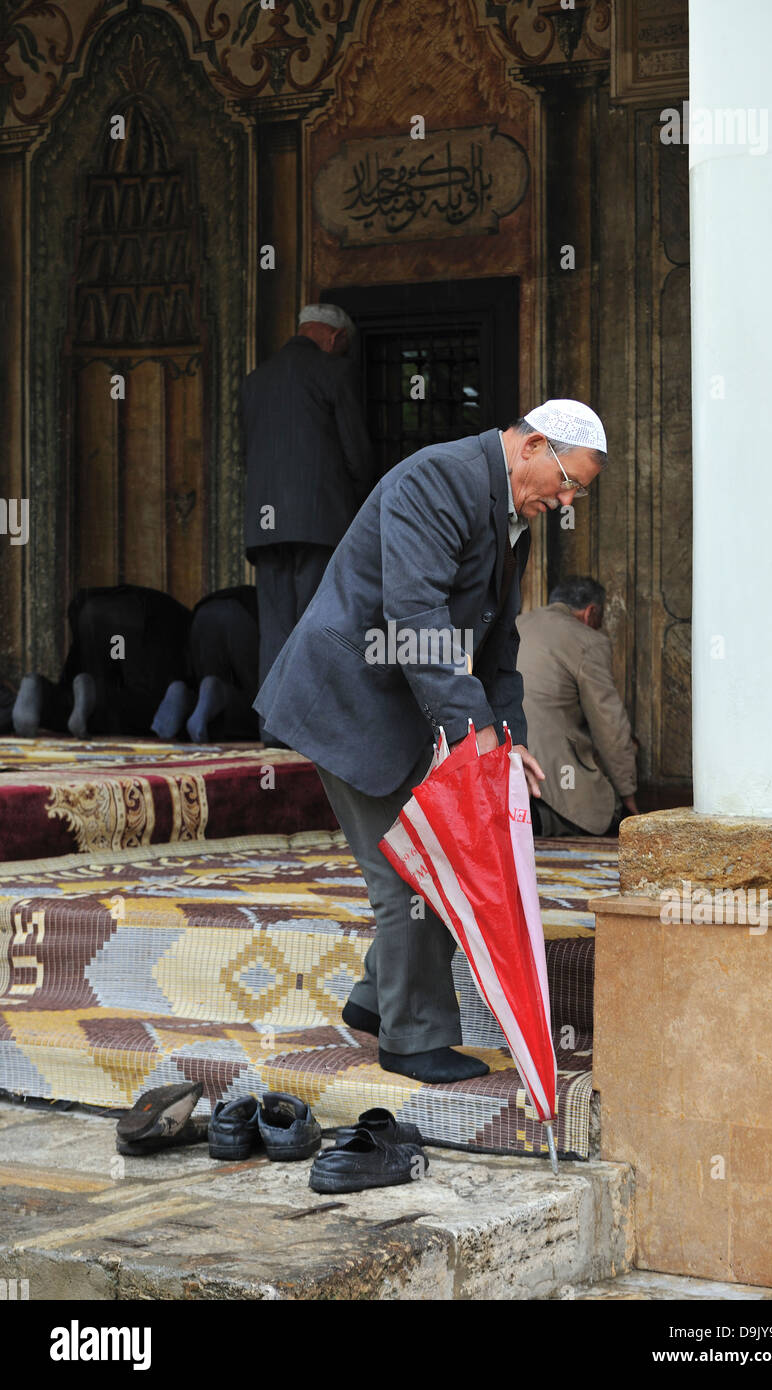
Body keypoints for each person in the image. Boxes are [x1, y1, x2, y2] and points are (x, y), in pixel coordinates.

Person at [254, 399, 607, 1084]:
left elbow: (499, 645)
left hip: (407, 705)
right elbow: (414, 620)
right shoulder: (433, 480)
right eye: (568, 482)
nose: (566, 500)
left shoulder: (513, 522)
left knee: (449, 853)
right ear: (533, 445)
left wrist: (506, 741)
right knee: (408, 873)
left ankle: (369, 1003)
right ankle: (411, 1038)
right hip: (346, 700)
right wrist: (469, 733)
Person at [242, 304, 375, 734]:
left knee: (276, 627)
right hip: (322, 522)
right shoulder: (333, 372)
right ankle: (313, 731)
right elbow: (356, 453)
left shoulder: (255, 380)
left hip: (267, 527)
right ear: (336, 338)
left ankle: (273, 728)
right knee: (319, 623)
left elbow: (245, 455)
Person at [516, 575, 639, 836]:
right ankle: (538, 820)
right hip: (547, 776)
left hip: (500, 764)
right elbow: (610, 728)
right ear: (590, 612)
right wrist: (629, 796)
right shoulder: (588, 641)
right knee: (605, 816)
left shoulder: (516, 624)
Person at [11, 585, 192, 738]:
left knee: (94, 690)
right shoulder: (183, 623)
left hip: (92, 609)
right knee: (139, 698)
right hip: (132, 619)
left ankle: (43, 693)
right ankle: (96, 695)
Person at [152, 586, 260, 743]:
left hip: (204, 612)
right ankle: (220, 693)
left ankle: (187, 699)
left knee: (209, 710)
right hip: (247, 614)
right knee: (264, 711)